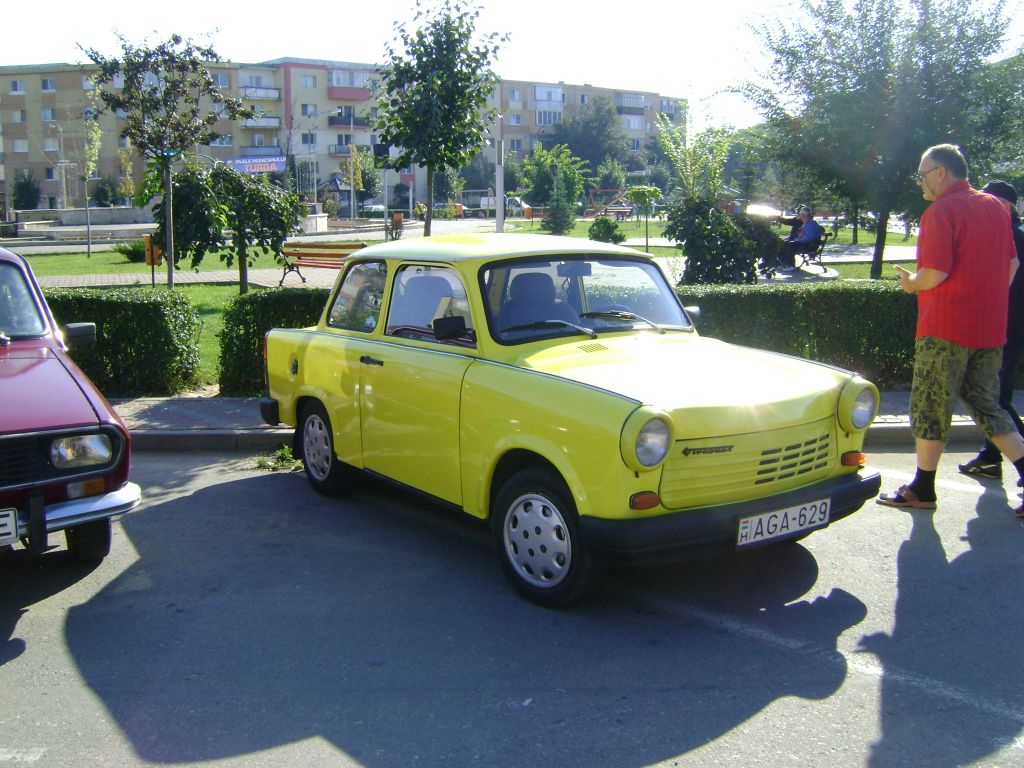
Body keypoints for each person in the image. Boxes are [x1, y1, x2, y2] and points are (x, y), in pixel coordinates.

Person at [878, 144, 1024, 519]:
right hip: (989, 329)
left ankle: (922, 488)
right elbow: (1011, 265)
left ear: (941, 172)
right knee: (987, 404)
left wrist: (911, 283)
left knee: (929, 406)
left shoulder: (940, 211)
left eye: (923, 175)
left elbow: (934, 274)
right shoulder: (995, 206)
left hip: (945, 329)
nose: (921, 183)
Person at [957, 180, 1024, 481]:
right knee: (995, 395)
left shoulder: (1013, 237)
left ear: (1006, 205)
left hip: (1008, 328)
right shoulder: (1008, 234)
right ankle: (990, 456)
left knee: (994, 399)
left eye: (988, 199)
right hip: (1003, 326)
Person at [778, 206, 824, 271]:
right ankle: (784, 263)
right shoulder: (806, 224)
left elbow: (807, 238)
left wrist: (797, 240)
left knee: (790, 244)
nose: (800, 216)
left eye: (801, 215)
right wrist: (794, 239)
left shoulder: (811, 224)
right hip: (806, 244)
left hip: (809, 245)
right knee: (785, 243)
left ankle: (790, 265)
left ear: (804, 215)